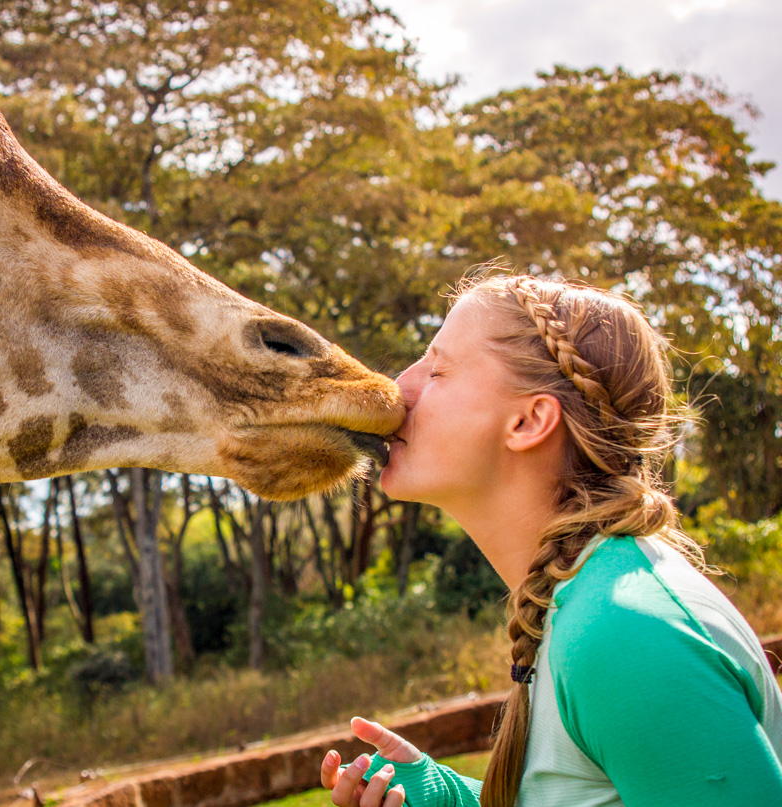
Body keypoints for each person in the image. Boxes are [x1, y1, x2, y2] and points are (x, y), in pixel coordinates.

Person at [319, 275, 782, 807]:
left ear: (529, 420)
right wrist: (448, 797)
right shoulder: (591, 602)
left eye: (438, 369)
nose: (399, 387)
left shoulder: (625, 634)